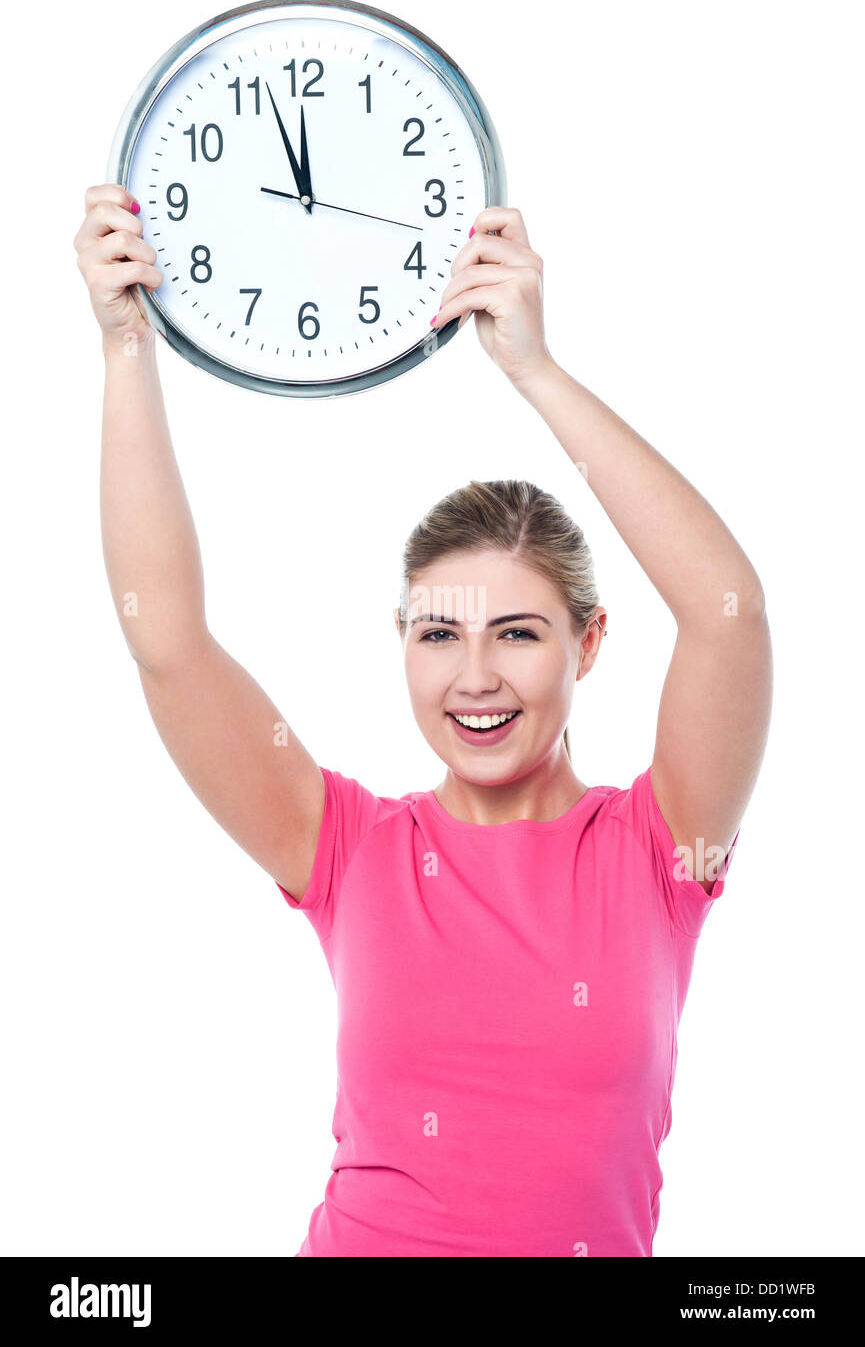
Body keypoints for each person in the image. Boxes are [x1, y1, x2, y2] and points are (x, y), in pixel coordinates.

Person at [74, 186, 772, 1257]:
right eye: (438, 635)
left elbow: (728, 615)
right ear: (400, 641)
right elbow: (165, 639)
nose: (475, 677)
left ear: (588, 645)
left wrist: (533, 371)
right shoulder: (348, 849)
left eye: (520, 635)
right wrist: (128, 346)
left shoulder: (659, 847)